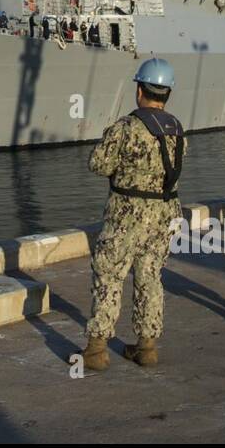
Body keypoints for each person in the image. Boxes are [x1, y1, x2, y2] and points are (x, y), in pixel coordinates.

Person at [78, 58, 185, 371]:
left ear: (140, 90)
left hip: (127, 213)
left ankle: (97, 350)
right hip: (165, 213)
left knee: (109, 276)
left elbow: (98, 164)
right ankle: (147, 347)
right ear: (167, 93)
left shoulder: (125, 127)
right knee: (150, 277)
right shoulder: (177, 130)